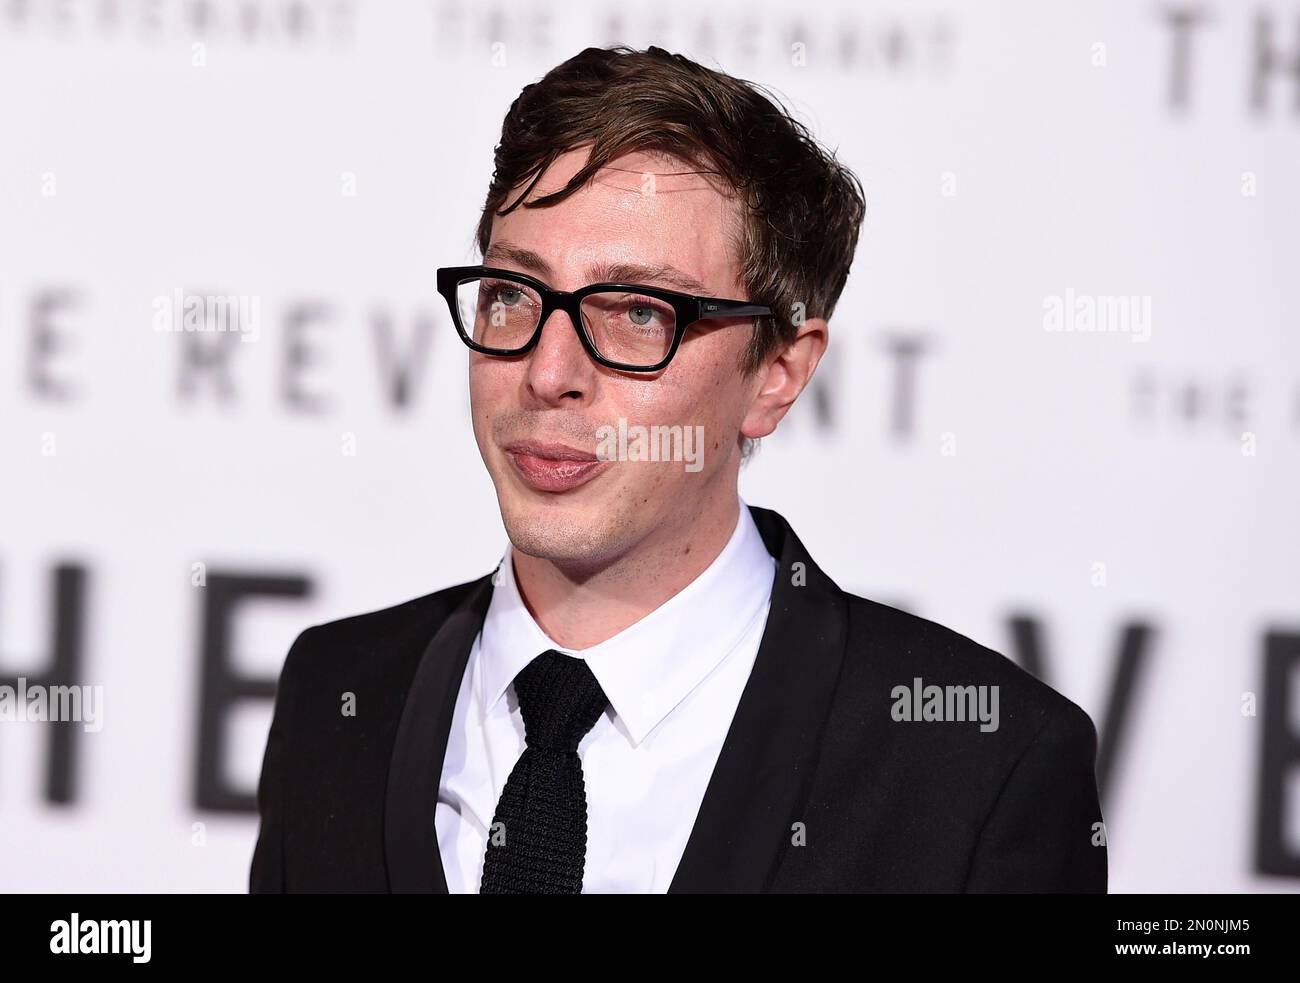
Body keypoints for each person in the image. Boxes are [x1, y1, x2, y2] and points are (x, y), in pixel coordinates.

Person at [249, 44, 1106, 893]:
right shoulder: (341, 693)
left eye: (634, 313)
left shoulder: (978, 771)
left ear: (776, 375)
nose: (548, 373)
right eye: (512, 292)